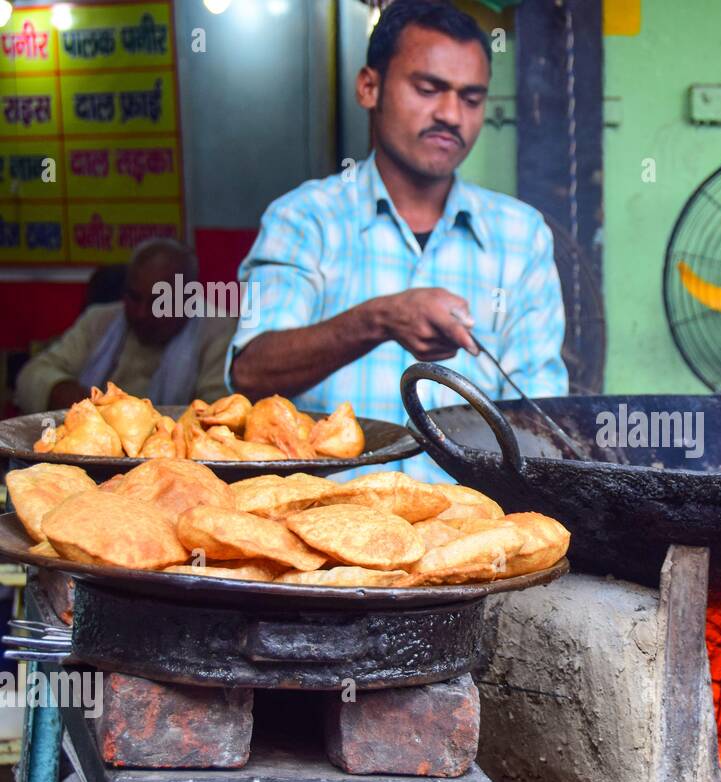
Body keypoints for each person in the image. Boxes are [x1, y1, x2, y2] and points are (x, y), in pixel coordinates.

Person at [227, 0, 567, 481]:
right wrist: (379, 318)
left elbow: (541, 419)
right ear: (369, 87)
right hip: (323, 532)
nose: (451, 114)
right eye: (428, 89)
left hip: (469, 537)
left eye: (471, 99)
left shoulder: (522, 235)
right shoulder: (305, 218)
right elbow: (251, 372)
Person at [15, 239, 233, 413]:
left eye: (159, 303)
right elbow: (32, 375)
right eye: (134, 297)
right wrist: (72, 396)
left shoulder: (219, 332)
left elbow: (215, 414)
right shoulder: (100, 320)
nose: (141, 313)